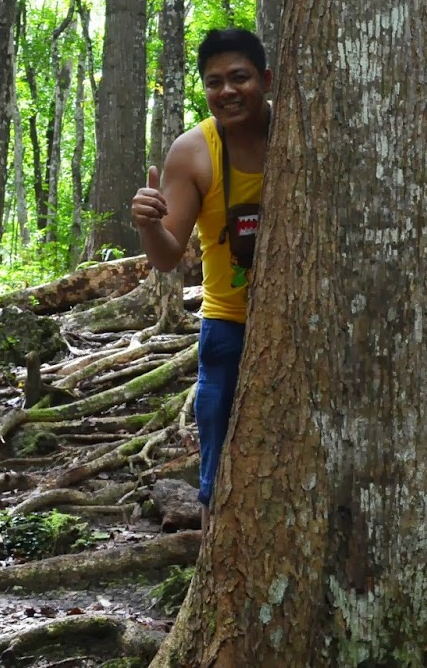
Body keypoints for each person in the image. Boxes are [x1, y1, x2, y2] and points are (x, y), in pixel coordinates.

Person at [130, 27, 271, 526]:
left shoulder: (300, 134)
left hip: (299, 325)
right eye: (214, 82)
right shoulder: (193, 151)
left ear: (267, 80)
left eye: (240, 77)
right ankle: (216, 551)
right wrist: (148, 223)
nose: (227, 91)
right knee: (217, 444)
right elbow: (168, 257)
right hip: (228, 325)